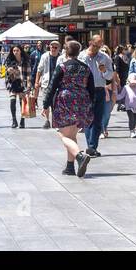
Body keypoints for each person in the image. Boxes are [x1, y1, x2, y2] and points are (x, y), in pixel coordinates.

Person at [43, 40, 94, 178]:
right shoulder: (85, 68)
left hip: (65, 100)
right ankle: (70, 167)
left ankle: (79, 156)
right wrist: (90, 105)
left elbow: (52, 87)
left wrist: (45, 105)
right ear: (78, 52)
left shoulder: (62, 67)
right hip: (82, 100)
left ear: (65, 52)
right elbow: (91, 88)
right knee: (72, 135)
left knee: (63, 134)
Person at [80, 35, 116, 157]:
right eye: (95, 45)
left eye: (99, 46)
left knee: (97, 119)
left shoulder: (105, 58)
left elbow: (110, 76)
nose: (96, 48)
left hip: (99, 89)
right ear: (90, 42)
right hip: (85, 91)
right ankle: (90, 145)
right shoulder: (82, 57)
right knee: (87, 119)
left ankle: (92, 146)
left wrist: (104, 71)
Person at [34, 41, 61, 129]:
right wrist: (37, 82)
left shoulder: (61, 57)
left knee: (55, 103)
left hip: (58, 84)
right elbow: (39, 69)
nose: (53, 49)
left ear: (59, 48)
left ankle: (55, 121)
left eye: (55, 47)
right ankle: (47, 121)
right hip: (47, 82)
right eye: (51, 47)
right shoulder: (45, 56)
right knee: (46, 101)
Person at [5, 45, 27, 128]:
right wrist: (9, 71)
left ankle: (22, 120)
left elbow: (28, 74)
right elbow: (7, 71)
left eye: (17, 50)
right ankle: (14, 120)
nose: (15, 52)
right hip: (12, 83)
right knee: (12, 101)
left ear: (20, 51)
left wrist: (28, 86)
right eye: (14, 50)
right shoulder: (10, 60)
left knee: (22, 103)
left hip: (22, 84)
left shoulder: (25, 61)